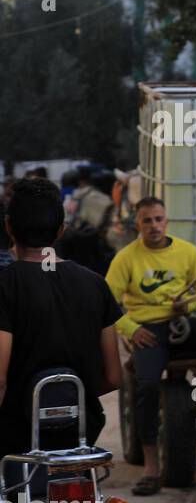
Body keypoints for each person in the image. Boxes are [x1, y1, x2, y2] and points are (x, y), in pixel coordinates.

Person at [105, 197, 196, 496]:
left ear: (166, 221)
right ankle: (152, 468)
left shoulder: (187, 252)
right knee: (148, 386)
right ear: (137, 224)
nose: (153, 226)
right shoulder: (126, 258)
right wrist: (131, 328)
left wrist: (190, 303)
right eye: (146, 221)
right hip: (149, 332)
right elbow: (107, 302)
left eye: (158, 219)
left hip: (183, 323)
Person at [0, 177, 122, 463]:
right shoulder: (96, 285)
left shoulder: (5, 286)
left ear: (9, 228)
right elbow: (114, 377)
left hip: (14, 437)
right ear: (61, 230)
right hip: (78, 434)